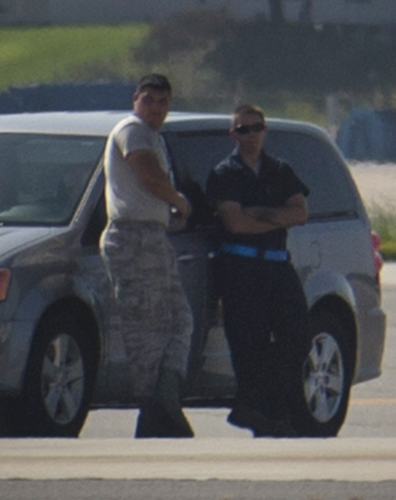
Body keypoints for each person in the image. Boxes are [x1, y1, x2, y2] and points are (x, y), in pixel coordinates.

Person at [196, 105, 314, 434]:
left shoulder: (280, 170)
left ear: (265, 130)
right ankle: (261, 412)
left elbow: (300, 213)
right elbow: (234, 223)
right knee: (251, 343)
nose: (251, 135)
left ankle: (264, 406)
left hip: (277, 265)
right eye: (243, 129)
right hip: (240, 268)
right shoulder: (224, 173)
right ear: (233, 134)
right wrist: (276, 216)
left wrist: (258, 213)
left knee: (298, 336)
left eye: (256, 127)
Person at [98, 76, 198, 439]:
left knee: (179, 320)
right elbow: (145, 170)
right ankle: (155, 413)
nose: (155, 107)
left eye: (162, 101)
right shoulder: (133, 130)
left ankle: (165, 400)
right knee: (146, 330)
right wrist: (177, 199)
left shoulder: (153, 136)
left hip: (153, 237)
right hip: (132, 237)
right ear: (135, 100)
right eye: (148, 99)